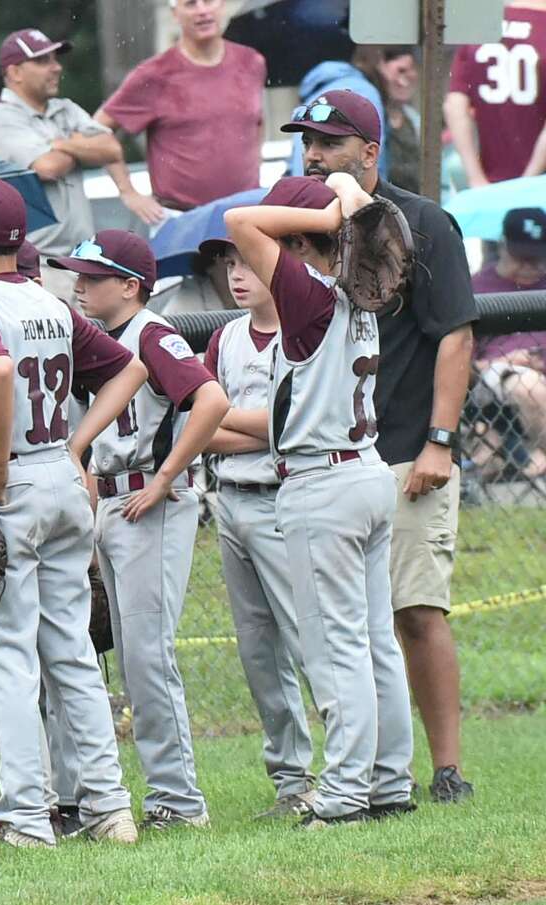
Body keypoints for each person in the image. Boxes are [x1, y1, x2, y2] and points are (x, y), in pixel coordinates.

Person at [0, 176, 149, 849]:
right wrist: (77, 444)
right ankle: (110, 808)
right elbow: (130, 370)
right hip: (60, 472)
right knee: (71, 651)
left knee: (7, 656)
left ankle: (28, 820)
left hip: (16, 481)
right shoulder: (49, 300)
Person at [286, 90, 478, 804]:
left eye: (330, 142)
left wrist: (440, 441)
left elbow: (455, 333)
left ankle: (448, 767)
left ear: (370, 151)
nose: (314, 154)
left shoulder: (423, 223)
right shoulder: (310, 226)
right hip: (338, 456)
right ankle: (365, 769)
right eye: (308, 140)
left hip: (405, 447)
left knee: (416, 611)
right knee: (349, 628)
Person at [224, 173, 416, 828]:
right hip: (364, 471)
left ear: (304, 238)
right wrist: (346, 203)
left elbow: (240, 222)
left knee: (335, 648)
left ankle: (341, 798)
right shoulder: (358, 295)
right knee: (373, 642)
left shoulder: (309, 295)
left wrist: (335, 207)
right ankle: (389, 780)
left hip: (323, 485)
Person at [47, 230, 228, 831]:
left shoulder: (152, 331)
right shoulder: (101, 340)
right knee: (127, 656)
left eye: (93, 276)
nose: (78, 283)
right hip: (112, 501)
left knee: (148, 658)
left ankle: (180, 803)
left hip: (150, 499)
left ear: (130, 285)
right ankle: (152, 797)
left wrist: (168, 475)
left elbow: (211, 401)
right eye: (77, 272)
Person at [200, 238, 316, 819]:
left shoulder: (305, 332)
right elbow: (198, 427)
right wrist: (263, 425)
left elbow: (300, 425)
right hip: (231, 500)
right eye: (231, 265)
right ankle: (292, 782)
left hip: (286, 497)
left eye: (248, 263)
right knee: (258, 652)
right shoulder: (223, 338)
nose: (237, 275)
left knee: (309, 641)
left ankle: (350, 774)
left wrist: (247, 423)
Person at [0, 28, 124, 300]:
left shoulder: (65, 107)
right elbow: (47, 167)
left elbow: (112, 148)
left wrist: (61, 144)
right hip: (37, 267)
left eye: (56, 60)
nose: (56, 68)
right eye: (43, 61)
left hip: (82, 262)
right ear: (14, 72)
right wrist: (79, 144)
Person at [95, 0, 266, 223]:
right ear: (175, 14)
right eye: (191, 4)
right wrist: (128, 193)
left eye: (208, 1)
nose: (202, 11)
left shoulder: (252, 62)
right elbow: (96, 130)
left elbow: (256, 121)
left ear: (222, 5)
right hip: (182, 220)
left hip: (246, 216)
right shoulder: (154, 75)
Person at [469, 208, 546, 479]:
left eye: (537, 258)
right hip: (498, 375)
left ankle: (534, 459)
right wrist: (511, 361)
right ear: (502, 245)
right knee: (528, 386)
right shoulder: (478, 286)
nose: (529, 266)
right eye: (520, 257)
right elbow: (463, 365)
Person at [446, 1, 546, 187]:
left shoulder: (481, 28)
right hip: (539, 191)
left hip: (489, 186)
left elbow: (455, 105)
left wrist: (475, 178)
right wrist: (528, 181)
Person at [285, 47, 389, 181]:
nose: (311, 155)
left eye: (328, 144)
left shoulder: (318, 91)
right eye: (306, 143)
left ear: (369, 154)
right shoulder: (365, 92)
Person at [377, 48, 421, 194]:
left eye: (412, 70)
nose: (406, 77)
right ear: (382, 69)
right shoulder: (376, 116)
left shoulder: (415, 119)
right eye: (401, 70)